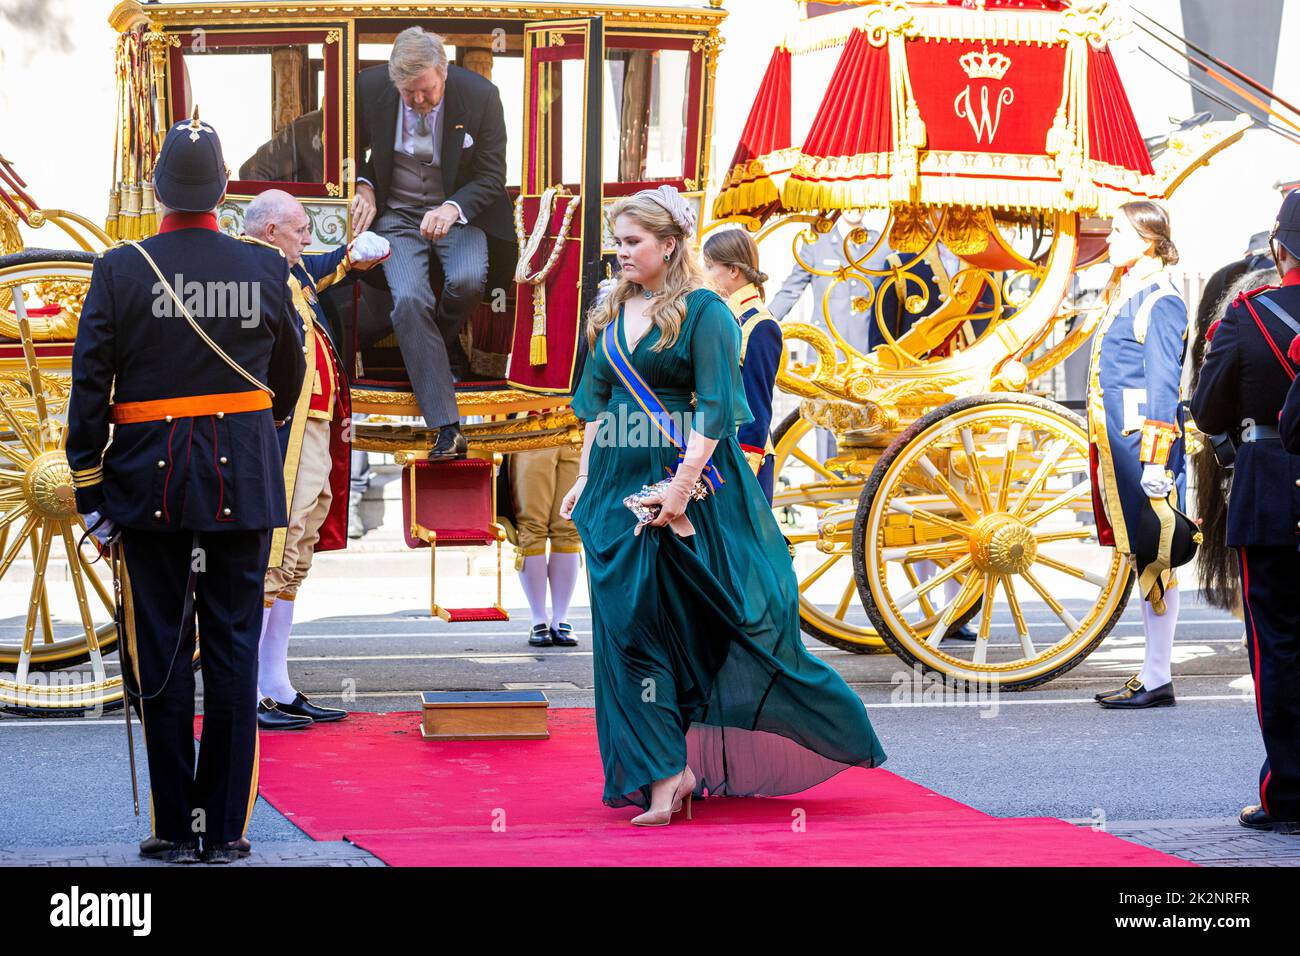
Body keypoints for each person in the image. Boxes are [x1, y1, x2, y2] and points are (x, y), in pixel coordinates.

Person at [558, 186, 886, 826]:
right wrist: (584, 475)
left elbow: (714, 409)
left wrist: (678, 489)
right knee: (626, 635)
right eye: (618, 243)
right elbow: (595, 405)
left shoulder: (705, 310)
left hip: (687, 489)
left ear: (669, 245)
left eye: (633, 243)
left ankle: (690, 761)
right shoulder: (609, 309)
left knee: (694, 625)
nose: (621, 254)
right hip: (612, 495)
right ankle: (663, 772)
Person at [66, 111, 306, 863]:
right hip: (241, 484)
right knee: (234, 654)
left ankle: (174, 830)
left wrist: (88, 488)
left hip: (148, 488)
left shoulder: (120, 267)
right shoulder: (265, 267)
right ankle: (223, 832)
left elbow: (89, 386)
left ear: (160, 191)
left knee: (163, 654)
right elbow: (289, 381)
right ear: (225, 190)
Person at [242, 189, 389, 730]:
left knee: (296, 551)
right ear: (271, 231)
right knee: (274, 551)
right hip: (285, 430)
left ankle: (276, 684)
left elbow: (326, 267)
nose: (309, 237)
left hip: (318, 424)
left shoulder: (288, 268)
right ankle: (251, 692)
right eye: (301, 228)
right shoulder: (252, 272)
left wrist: (353, 255)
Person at [350, 26, 513, 461]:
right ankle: (446, 427)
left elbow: (492, 175)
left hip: (458, 214)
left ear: (443, 72)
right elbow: (351, 150)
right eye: (409, 94)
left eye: (427, 91)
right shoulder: (368, 88)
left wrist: (453, 208)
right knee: (408, 301)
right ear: (392, 82)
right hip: (396, 217)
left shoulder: (480, 96)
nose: (419, 102)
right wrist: (364, 184)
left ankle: (427, 352)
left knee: (467, 281)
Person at [1197, 190, 1300, 833]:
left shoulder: (1246, 316)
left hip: (1270, 495)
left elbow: (1208, 410)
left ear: (1279, 250)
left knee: (1278, 648)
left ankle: (1288, 793)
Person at [1087, 201, 1190, 709]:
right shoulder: (1132, 291)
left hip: (1144, 448)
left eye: (1117, 231)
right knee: (1144, 558)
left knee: (1159, 560)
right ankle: (1153, 672)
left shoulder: (1161, 299)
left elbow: (1162, 386)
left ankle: (1157, 675)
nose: (1108, 240)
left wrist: (1154, 461)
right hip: (1122, 446)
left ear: (1147, 240)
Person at [702, 228, 782, 503]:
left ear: (733, 270)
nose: (706, 273)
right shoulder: (728, 316)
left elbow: (757, 409)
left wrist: (743, 470)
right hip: (716, 449)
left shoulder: (760, 324)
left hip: (743, 456)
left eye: (711, 266)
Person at [509, 441, 584, 647]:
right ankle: (538, 619)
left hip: (577, 433)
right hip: (532, 432)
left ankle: (561, 618)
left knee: (569, 526)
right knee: (532, 527)